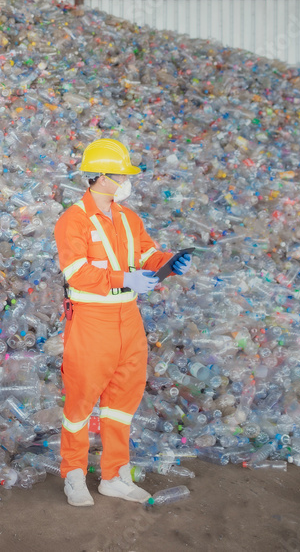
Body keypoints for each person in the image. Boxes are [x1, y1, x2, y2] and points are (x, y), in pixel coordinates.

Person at [53, 138, 192, 506]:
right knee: (81, 402)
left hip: (128, 320)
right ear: (99, 177)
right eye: (119, 175)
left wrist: (168, 262)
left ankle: (115, 475)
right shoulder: (73, 219)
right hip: (91, 322)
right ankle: (74, 474)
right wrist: (123, 279)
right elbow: (77, 272)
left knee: (121, 401)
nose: (125, 181)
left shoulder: (129, 218)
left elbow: (147, 253)